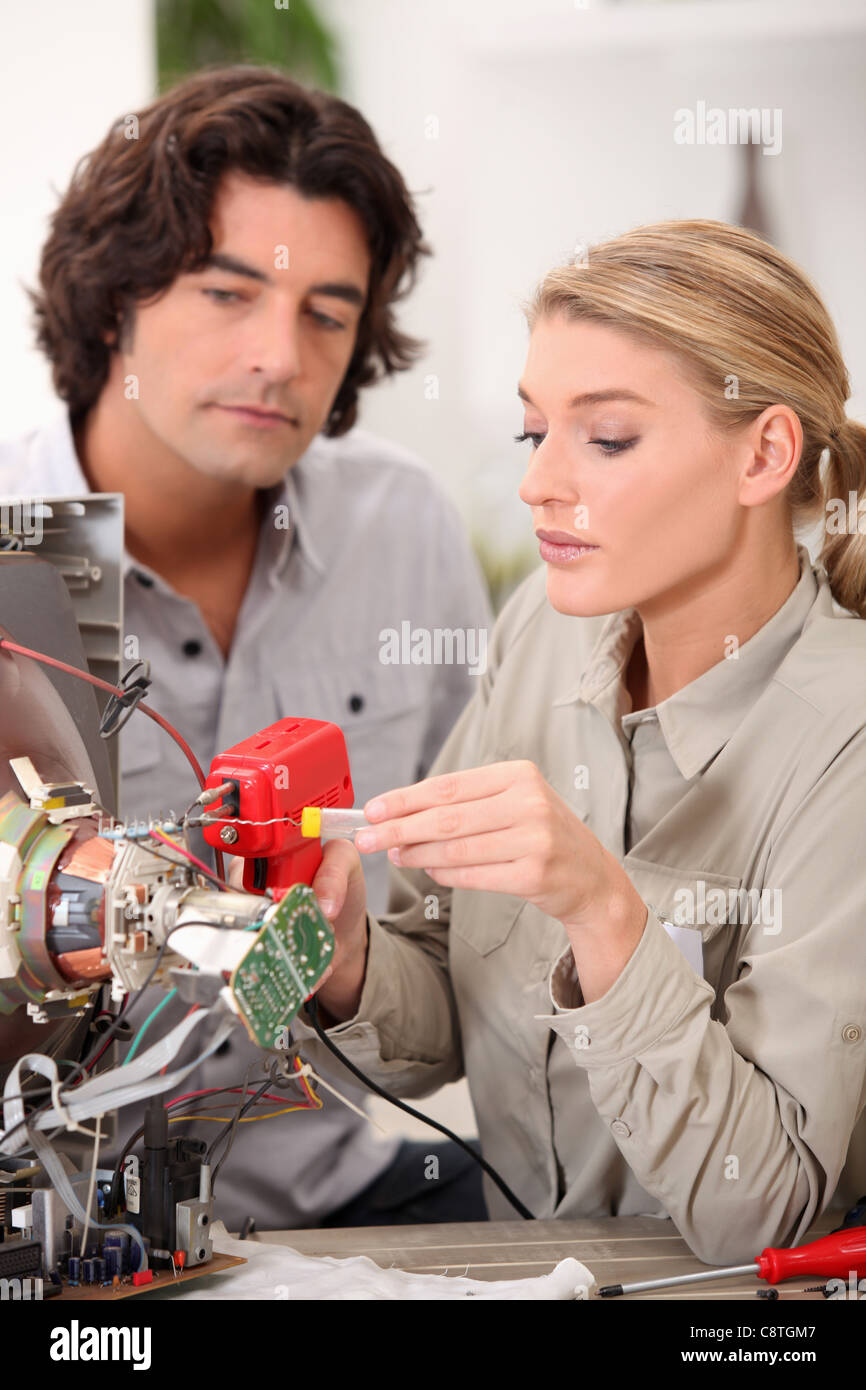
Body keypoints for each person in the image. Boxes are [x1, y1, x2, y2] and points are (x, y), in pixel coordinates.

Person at [289, 219, 866, 1265]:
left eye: (602, 438)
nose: (536, 483)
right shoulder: (539, 636)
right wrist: (349, 959)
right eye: (531, 433)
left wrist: (601, 909)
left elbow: (767, 1218)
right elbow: (434, 1032)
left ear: (763, 454)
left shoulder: (847, 739)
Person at [0, 66, 492, 1229]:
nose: (281, 354)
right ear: (117, 299)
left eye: (326, 311)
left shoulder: (402, 528)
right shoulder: (16, 544)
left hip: (332, 1194)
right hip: (46, 1217)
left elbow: (455, 940)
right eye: (230, 294)